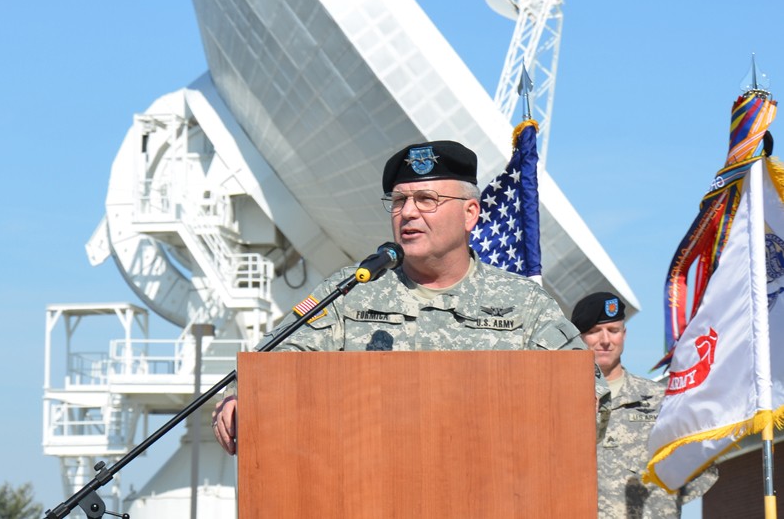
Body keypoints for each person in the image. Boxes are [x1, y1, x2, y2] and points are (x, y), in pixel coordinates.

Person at [213, 140, 608, 454]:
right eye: (399, 201)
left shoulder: (524, 305)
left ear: (470, 214)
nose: (408, 213)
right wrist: (240, 397)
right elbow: (271, 363)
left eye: (427, 200)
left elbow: (588, 396)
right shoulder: (352, 291)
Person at [571, 292, 718, 518]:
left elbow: (704, 467)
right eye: (593, 332)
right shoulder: (560, 403)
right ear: (578, 338)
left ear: (624, 334)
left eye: (613, 330)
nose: (605, 340)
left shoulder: (662, 401)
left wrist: (659, 504)